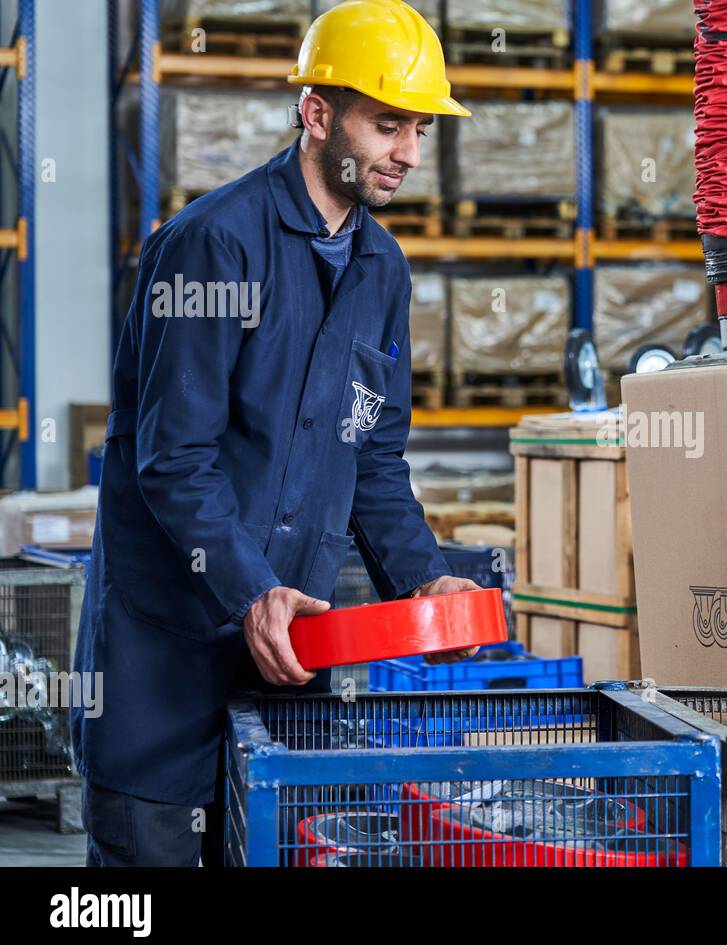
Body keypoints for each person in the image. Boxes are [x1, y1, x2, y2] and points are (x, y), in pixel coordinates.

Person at [72, 0, 475, 866]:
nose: (407, 152)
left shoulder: (383, 270)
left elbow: (373, 458)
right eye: (387, 124)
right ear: (317, 113)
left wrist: (424, 577)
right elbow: (171, 459)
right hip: (163, 666)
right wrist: (252, 589)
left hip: (288, 662)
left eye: (419, 129)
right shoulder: (212, 245)